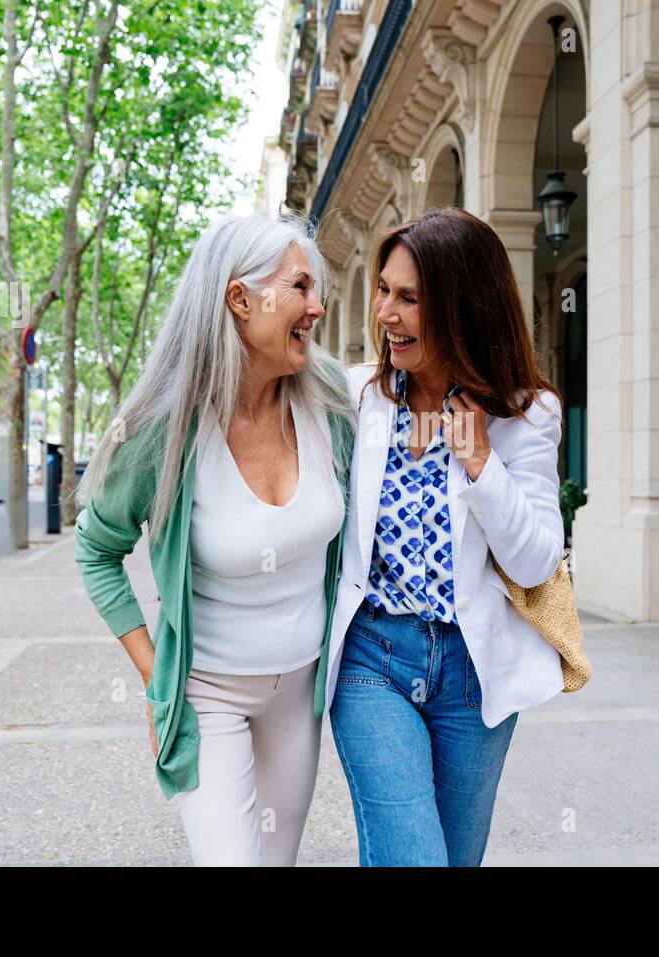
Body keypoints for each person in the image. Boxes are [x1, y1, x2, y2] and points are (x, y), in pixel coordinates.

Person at [74, 213, 353, 866]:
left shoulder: (330, 397)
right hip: (209, 693)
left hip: (301, 692)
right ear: (239, 298)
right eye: (300, 287)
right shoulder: (157, 431)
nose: (317, 307)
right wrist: (156, 677)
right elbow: (96, 549)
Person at [324, 206, 566, 866]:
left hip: (473, 676)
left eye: (410, 299)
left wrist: (483, 463)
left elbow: (539, 559)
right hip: (373, 660)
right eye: (384, 290)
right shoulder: (356, 397)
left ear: (464, 308)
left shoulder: (526, 413)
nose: (386, 314)